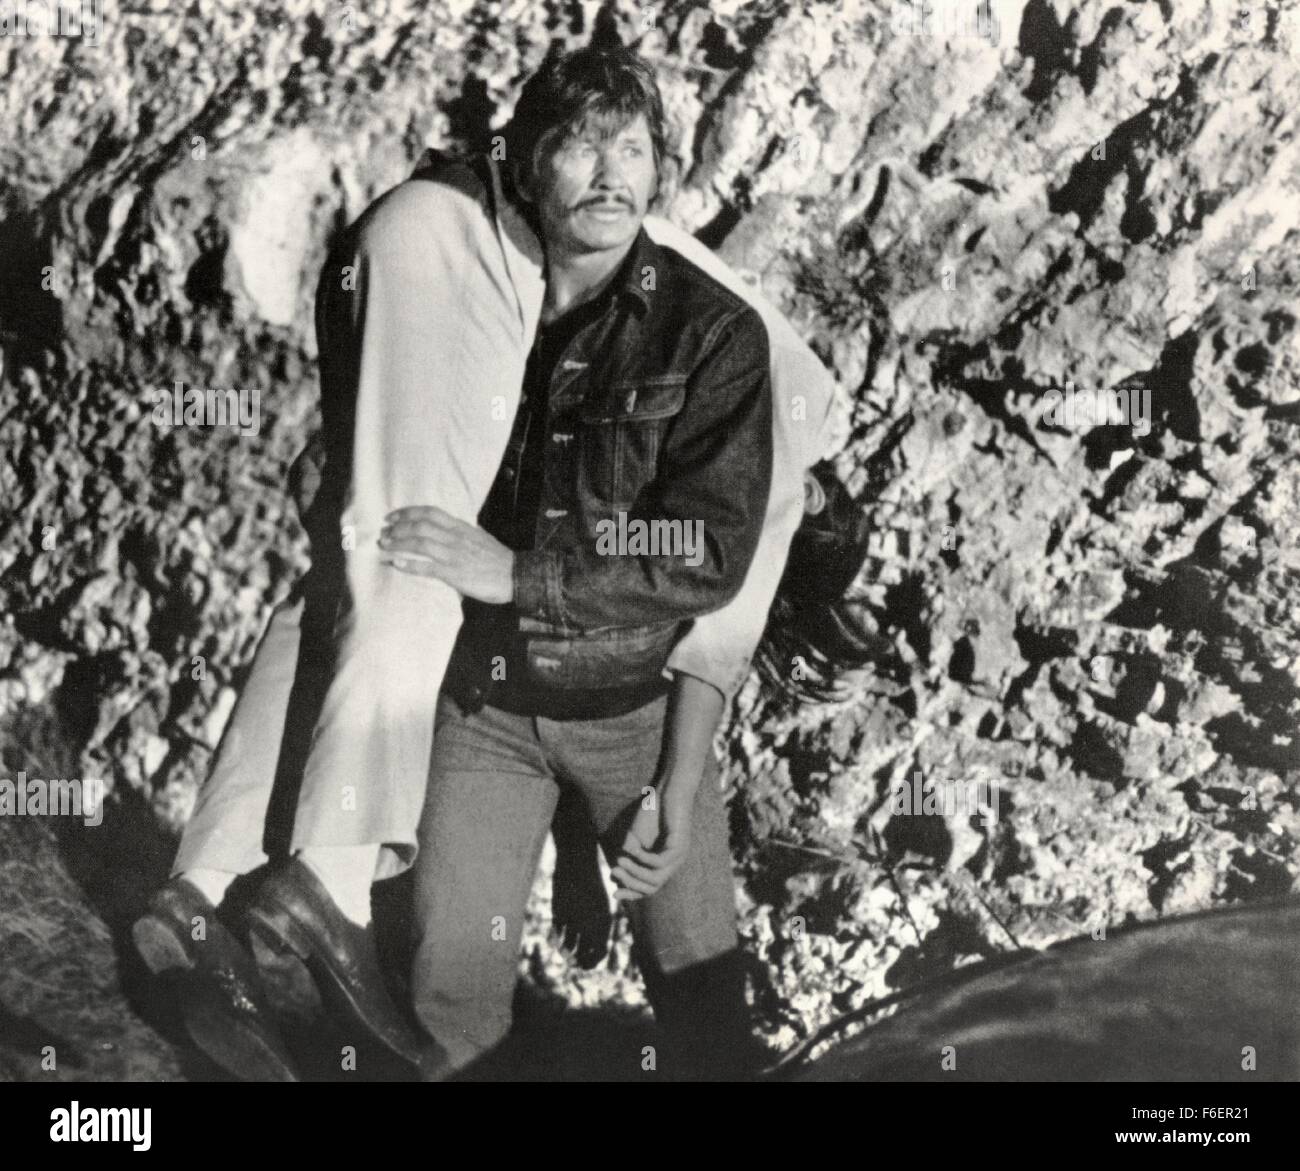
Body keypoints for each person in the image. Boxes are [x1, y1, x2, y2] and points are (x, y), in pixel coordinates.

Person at [133, 44, 852, 1081]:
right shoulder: (777, 413)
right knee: (411, 562)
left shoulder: (668, 310)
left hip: (619, 711)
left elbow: (687, 609)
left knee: (353, 576)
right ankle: (292, 896)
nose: (614, 169)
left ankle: (206, 896)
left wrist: (612, 836)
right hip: (498, 686)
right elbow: (718, 604)